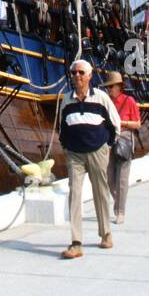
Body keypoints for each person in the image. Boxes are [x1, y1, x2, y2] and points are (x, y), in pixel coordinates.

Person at [59, 59, 121, 259]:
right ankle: (76, 242)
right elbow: (62, 127)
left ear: (89, 76)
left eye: (81, 72)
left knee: (100, 192)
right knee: (74, 194)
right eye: (74, 72)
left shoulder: (101, 97)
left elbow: (114, 123)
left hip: (97, 151)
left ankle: (106, 234)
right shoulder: (66, 100)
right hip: (75, 154)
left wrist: (107, 146)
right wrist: (67, 146)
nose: (76, 76)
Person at [103, 71, 141, 224]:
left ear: (119, 87)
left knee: (122, 179)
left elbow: (137, 123)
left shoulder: (129, 101)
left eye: (111, 86)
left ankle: (120, 211)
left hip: (124, 140)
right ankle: (118, 203)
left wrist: (121, 123)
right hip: (109, 140)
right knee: (109, 178)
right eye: (108, 87)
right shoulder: (106, 102)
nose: (109, 89)